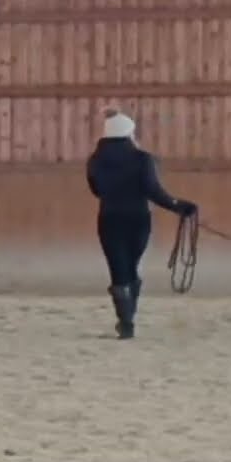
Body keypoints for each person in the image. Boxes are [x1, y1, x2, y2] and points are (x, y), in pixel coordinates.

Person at [85, 108, 197, 339]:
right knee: (132, 266)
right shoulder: (143, 159)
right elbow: (153, 191)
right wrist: (178, 205)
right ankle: (129, 315)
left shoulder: (95, 161)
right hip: (138, 219)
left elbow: (96, 190)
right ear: (128, 133)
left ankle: (125, 321)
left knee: (118, 268)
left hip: (109, 219)